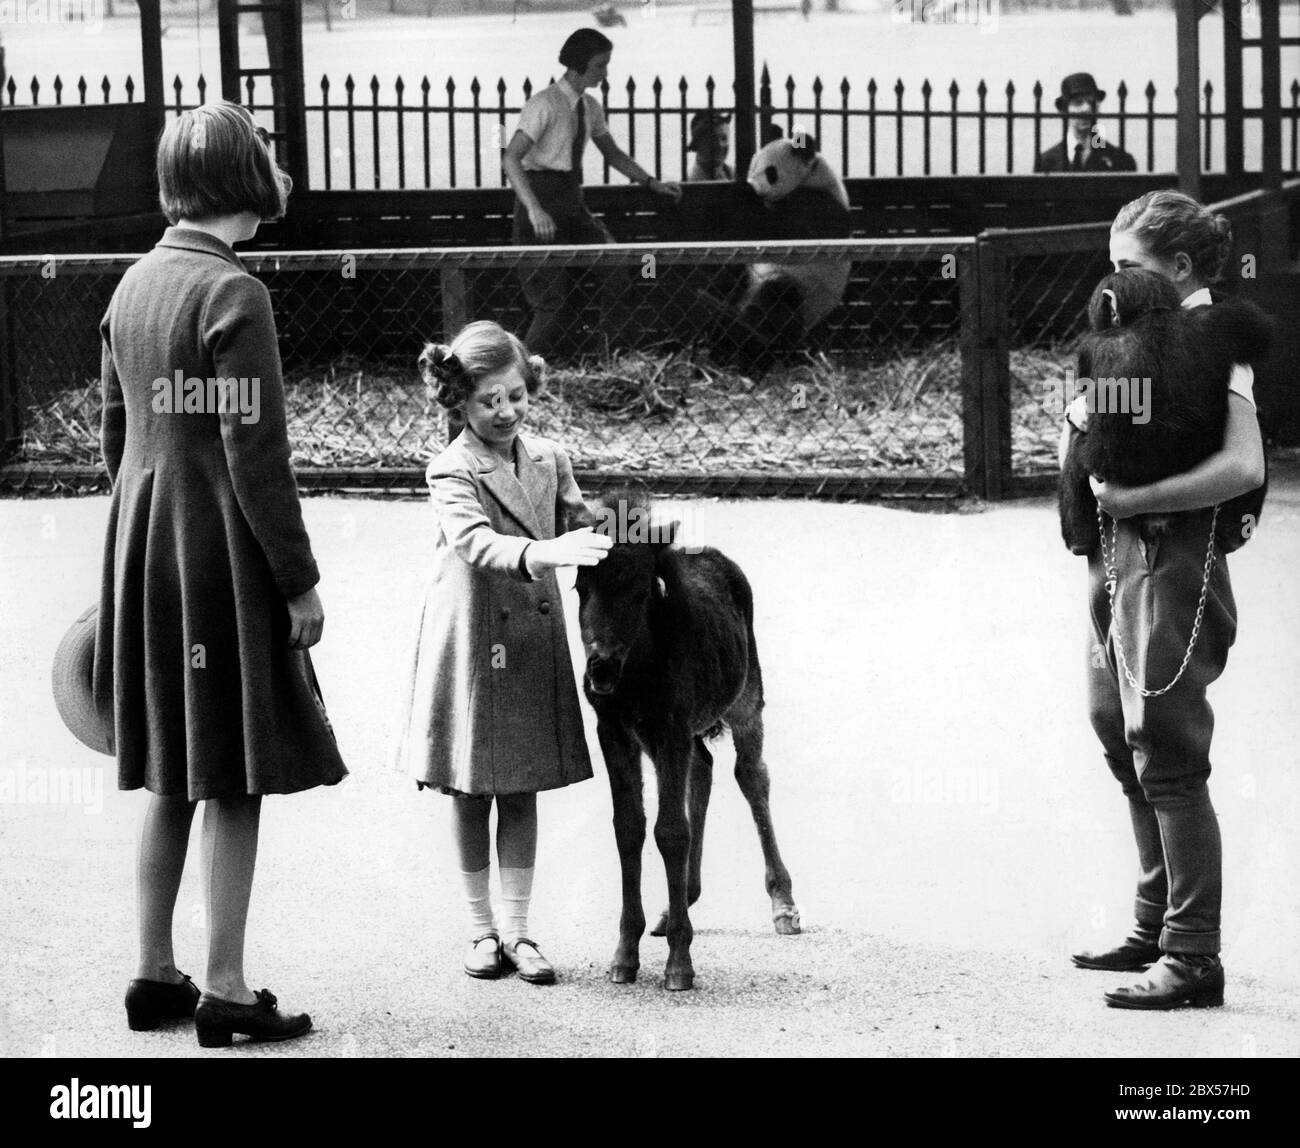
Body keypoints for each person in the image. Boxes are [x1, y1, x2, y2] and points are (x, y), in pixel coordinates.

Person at [97, 101, 347, 1048]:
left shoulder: (133, 286)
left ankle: (153, 971)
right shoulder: (235, 295)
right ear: (247, 178)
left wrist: (141, 536)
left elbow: (119, 443)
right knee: (235, 772)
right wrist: (298, 581)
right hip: (218, 554)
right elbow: (256, 457)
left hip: (148, 546)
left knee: (171, 768)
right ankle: (228, 988)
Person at [1061, 191, 1266, 1009]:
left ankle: (1193, 955)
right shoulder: (1131, 340)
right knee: (1119, 734)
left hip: (1175, 555)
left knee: (1167, 749)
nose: (1113, 284)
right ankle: (1153, 921)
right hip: (1114, 552)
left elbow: (1244, 466)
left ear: (1179, 270)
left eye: (1129, 268)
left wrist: (1142, 501)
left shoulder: (1216, 344)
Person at [390, 320, 612, 985]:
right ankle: (480, 929)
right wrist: (540, 554)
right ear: (460, 400)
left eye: (517, 396)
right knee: (471, 786)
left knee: (522, 785)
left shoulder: (548, 457)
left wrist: (628, 528)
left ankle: (519, 932)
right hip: (474, 639)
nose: (507, 411)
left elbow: (579, 519)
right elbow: (473, 541)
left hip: (530, 636)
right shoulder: (451, 466)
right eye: (490, 401)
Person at [502, 27, 682, 357]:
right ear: (578, 65)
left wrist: (651, 182)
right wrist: (534, 209)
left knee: (617, 270)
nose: (605, 72)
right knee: (551, 302)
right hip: (540, 207)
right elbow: (510, 158)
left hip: (572, 204)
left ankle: (608, 358)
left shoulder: (591, 107)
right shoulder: (543, 104)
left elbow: (612, 154)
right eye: (600, 65)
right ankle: (520, 375)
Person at [1035, 72, 1138, 173]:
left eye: (1091, 102)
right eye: (1078, 102)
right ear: (1064, 110)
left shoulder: (1121, 161)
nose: (1086, 108)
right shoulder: (1045, 162)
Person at [687, 110, 733, 181]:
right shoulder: (690, 184)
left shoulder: (735, 175)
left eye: (724, 138)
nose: (720, 145)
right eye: (713, 139)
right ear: (697, 143)